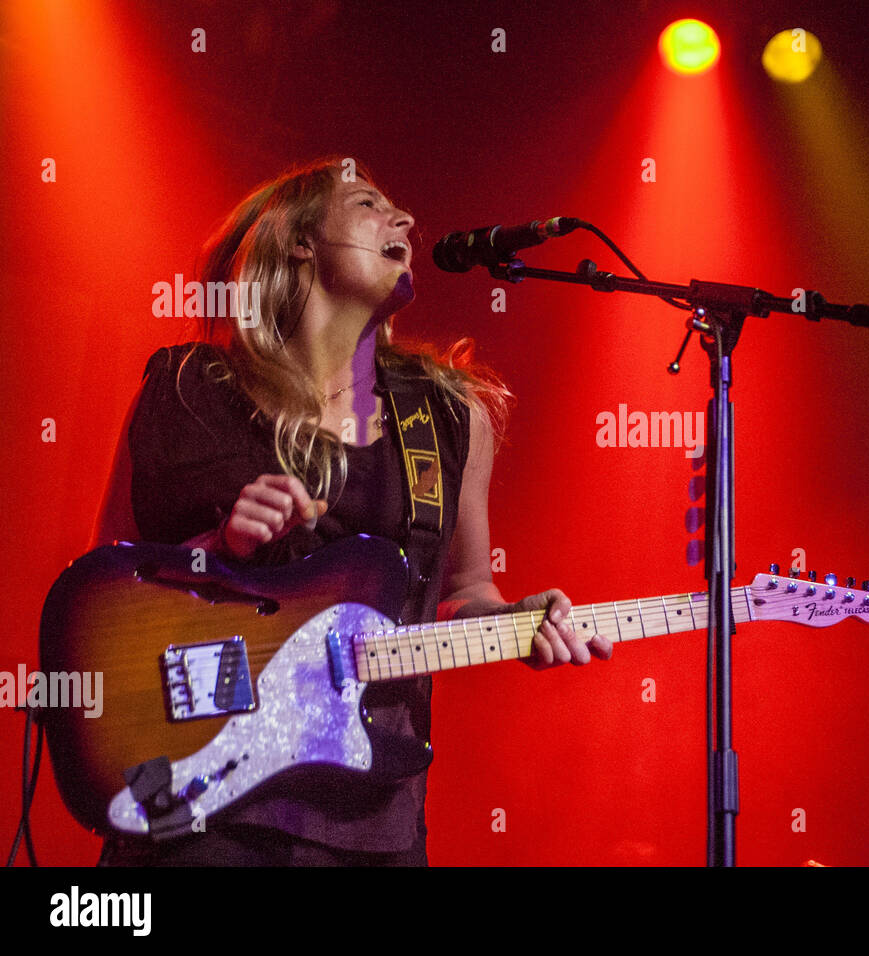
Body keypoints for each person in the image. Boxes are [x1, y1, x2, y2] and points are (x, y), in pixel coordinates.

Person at [90, 157, 612, 865]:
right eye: (370, 203)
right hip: (199, 807)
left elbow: (462, 592)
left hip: (370, 819)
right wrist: (215, 544)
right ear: (299, 241)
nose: (406, 221)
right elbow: (100, 586)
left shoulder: (451, 416)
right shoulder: (187, 388)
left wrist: (520, 622)